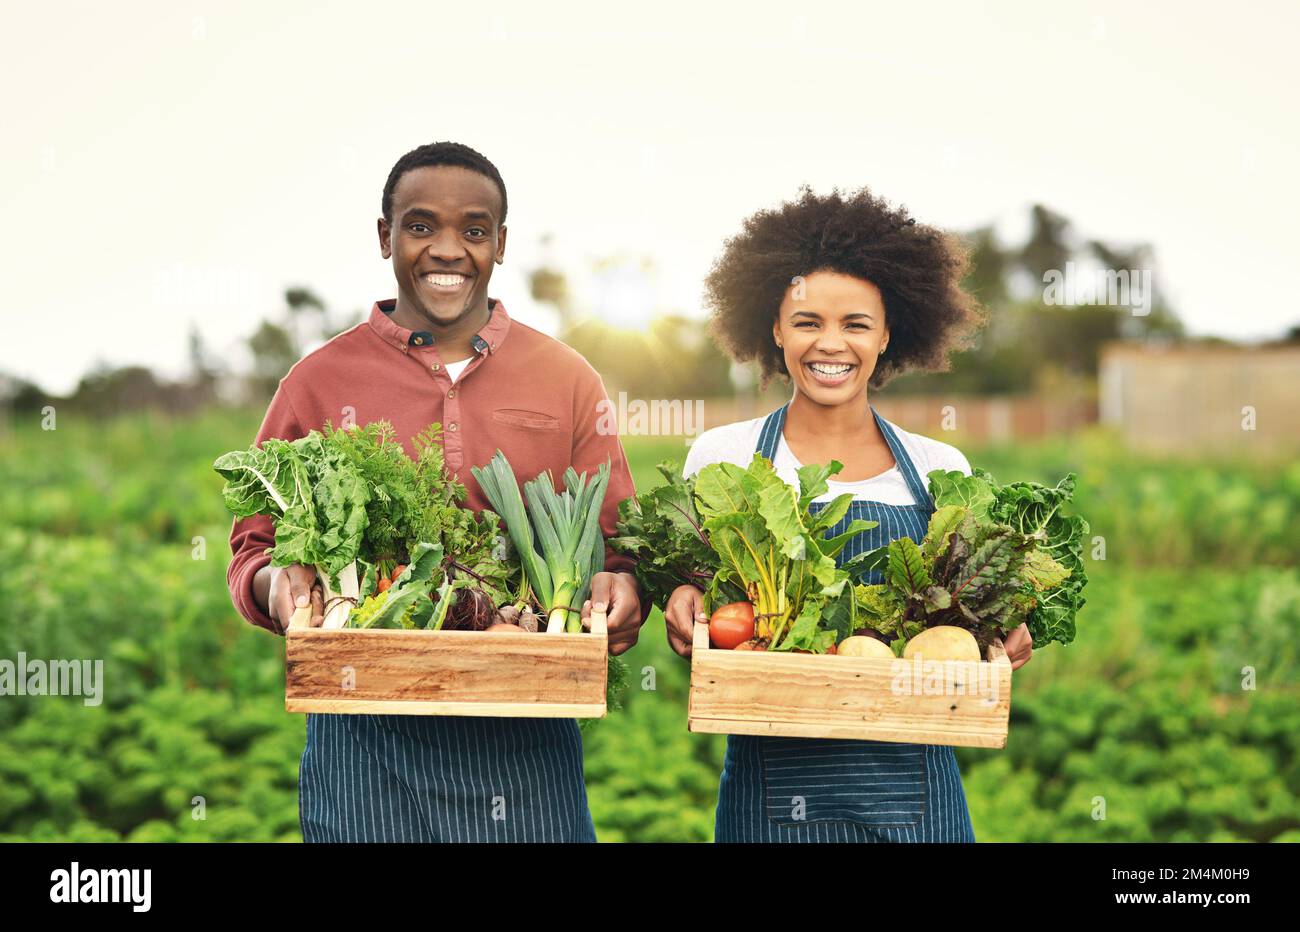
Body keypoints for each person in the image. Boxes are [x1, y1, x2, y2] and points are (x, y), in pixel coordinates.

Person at [226, 141, 646, 842]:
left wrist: (620, 592)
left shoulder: (567, 378)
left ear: (500, 244)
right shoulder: (317, 381)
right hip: (363, 736)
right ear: (385, 236)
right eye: (421, 227)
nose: (447, 250)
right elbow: (251, 549)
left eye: (474, 230)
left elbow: (621, 547)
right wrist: (278, 588)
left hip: (525, 733)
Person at [663, 186, 1033, 842]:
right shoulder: (722, 456)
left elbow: (968, 628)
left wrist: (999, 634)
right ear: (773, 328)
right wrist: (687, 600)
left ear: (890, 334)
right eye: (807, 321)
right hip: (769, 798)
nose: (830, 344)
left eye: (855, 324)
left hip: (921, 800)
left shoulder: (940, 467)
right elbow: (699, 607)